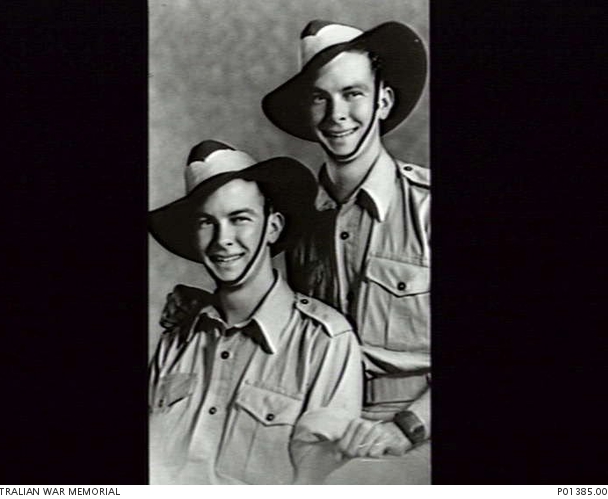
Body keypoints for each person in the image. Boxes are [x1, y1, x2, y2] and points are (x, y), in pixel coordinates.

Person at [260, 20, 431, 476]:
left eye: (352, 93)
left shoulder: (428, 210)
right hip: (315, 421)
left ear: (383, 101)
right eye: (320, 96)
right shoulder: (295, 221)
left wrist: (407, 427)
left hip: (415, 428)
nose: (337, 113)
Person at [147, 140, 363, 484]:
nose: (223, 239)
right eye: (206, 222)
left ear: (273, 226)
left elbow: (323, 481)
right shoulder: (176, 342)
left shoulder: (325, 343)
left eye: (239, 219)